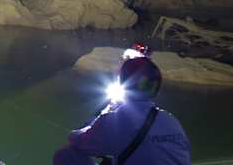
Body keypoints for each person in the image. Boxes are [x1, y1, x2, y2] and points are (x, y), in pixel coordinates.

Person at [54, 51, 191, 165]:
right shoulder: (170, 120)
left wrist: (96, 120)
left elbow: (80, 142)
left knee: (66, 154)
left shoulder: (117, 120)